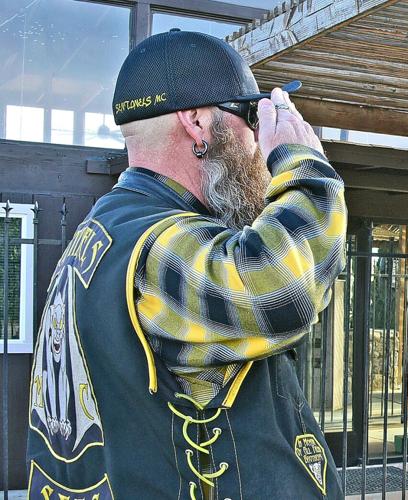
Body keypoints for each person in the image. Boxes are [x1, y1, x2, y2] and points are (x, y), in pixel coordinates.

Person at [26, 29, 346, 499]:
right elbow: (284, 289)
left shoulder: (107, 233)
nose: (257, 140)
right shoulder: (160, 245)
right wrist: (302, 163)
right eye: (249, 118)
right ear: (197, 122)